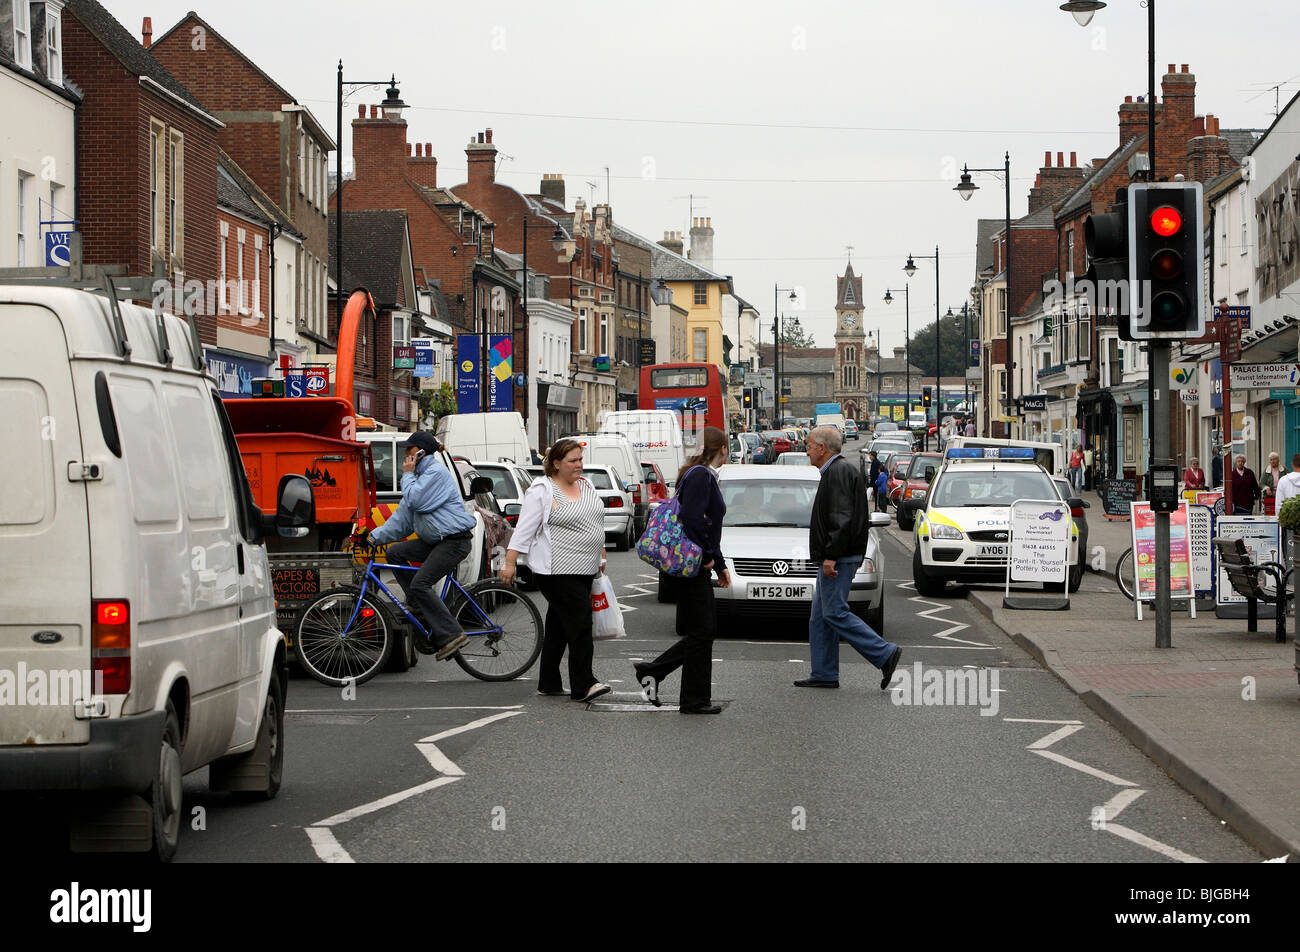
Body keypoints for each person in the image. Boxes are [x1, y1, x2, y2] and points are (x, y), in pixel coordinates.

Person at [499, 439, 610, 702]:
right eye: (573, 460)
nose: (579, 465)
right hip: (556, 571)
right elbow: (524, 529)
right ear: (557, 463)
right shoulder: (543, 489)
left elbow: (594, 520)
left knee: (559, 626)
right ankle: (584, 684)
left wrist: (601, 550)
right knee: (580, 623)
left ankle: (548, 682)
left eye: (580, 459)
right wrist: (510, 563)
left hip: (585, 568)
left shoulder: (586, 485)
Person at [796, 426, 902, 691]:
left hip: (840, 557)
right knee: (820, 617)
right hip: (838, 555)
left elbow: (841, 517)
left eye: (809, 446)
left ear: (822, 448)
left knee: (834, 612)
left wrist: (831, 556)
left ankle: (884, 653)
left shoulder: (839, 472)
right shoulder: (835, 471)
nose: (807, 451)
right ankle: (823, 673)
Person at [633, 426, 730, 714]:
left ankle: (656, 673)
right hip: (692, 565)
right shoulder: (700, 475)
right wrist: (708, 557)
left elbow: (706, 524)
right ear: (722, 448)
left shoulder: (698, 473)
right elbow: (693, 519)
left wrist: (719, 564)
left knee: (702, 631)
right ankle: (692, 699)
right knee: (703, 631)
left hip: (693, 564)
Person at [358, 432, 475, 660]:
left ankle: (452, 634)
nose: (405, 454)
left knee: (421, 583)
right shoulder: (419, 478)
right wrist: (373, 537)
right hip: (436, 540)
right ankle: (418, 604)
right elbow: (402, 521)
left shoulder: (435, 473)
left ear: (421, 452)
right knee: (395, 553)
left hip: (454, 540)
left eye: (409, 449)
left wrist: (407, 475)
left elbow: (415, 501)